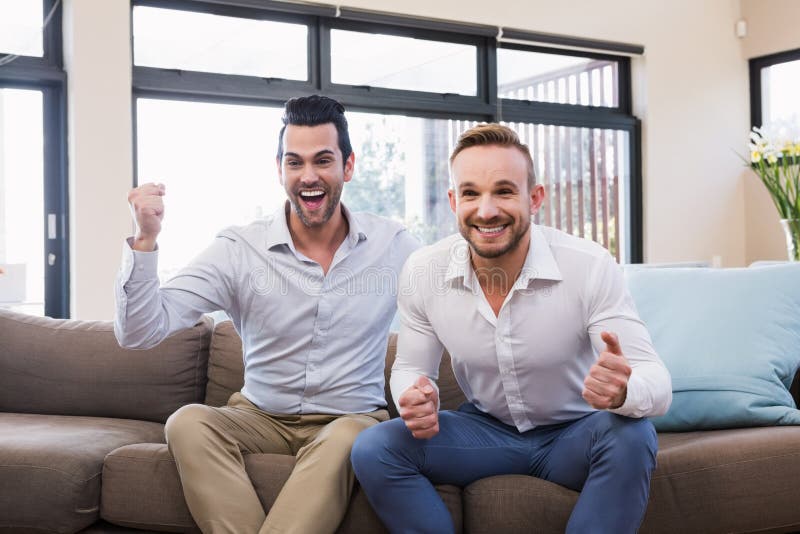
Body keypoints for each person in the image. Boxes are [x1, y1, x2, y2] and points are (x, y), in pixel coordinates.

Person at [114, 95, 419, 534]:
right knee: (188, 422)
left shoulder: (395, 247)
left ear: (348, 167)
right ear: (280, 170)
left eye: (323, 161)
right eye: (294, 162)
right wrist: (145, 239)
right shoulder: (240, 250)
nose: (308, 176)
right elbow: (139, 332)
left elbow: (452, 305)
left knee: (350, 439)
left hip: (349, 418)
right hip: (259, 416)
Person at [351, 123, 672, 534]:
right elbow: (411, 368)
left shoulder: (588, 265)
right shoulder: (423, 270)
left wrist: (625, 391)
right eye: (470, 193)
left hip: (576, 434)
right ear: (453, 201)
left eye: (504, 191)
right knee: (375, 447)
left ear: (534, 198)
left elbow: (657, 382)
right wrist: (412, 395)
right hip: (484, 433)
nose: (486, 210)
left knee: (632, 434)